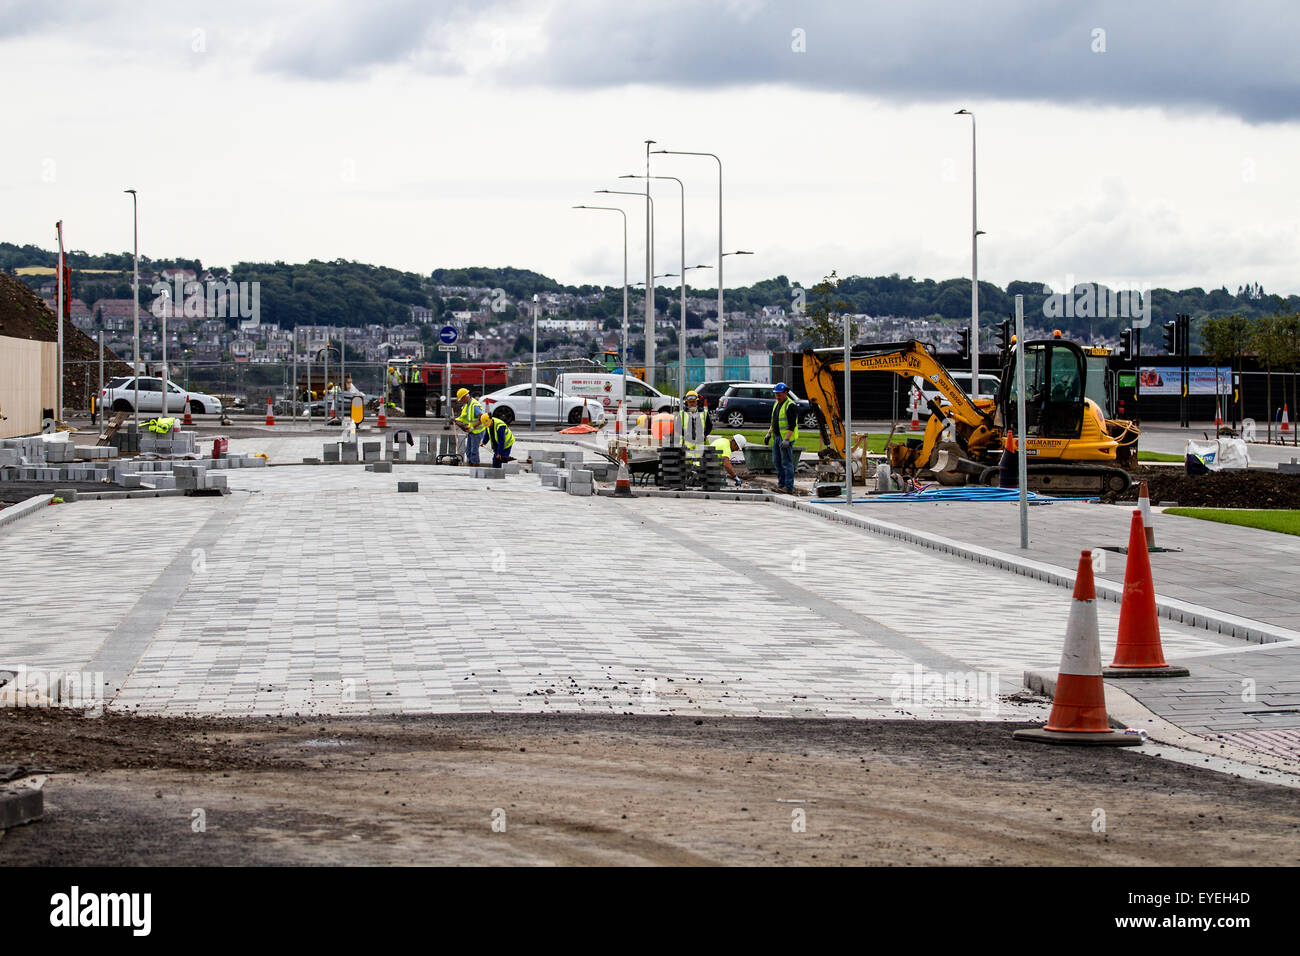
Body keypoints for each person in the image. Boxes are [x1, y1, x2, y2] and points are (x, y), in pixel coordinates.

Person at [765, 381, 799, 494]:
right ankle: (781, 485)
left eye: (779, 394)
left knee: (786, 463)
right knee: (777, 462)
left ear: (785, 393)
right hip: (777, 437)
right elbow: (774, 421)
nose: (777, 396)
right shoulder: (777, 404)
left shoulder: (790, 405)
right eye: (776, 394)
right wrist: (769, 433)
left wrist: (787, 439)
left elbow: (792, 425)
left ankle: (788, 487)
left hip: (785, 439)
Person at [454, 388, 488, 465]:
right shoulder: (467, 405)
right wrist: (456, 421)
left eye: (461, 399)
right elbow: (463, 417)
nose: (461, 401)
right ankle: (471, 464)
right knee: (468, 451)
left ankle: (475, 465)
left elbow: (482, 419)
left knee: (474, 451)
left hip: (477, 431)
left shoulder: (474, 405)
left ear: (465, 397)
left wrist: (472, 427)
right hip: (472, 431)